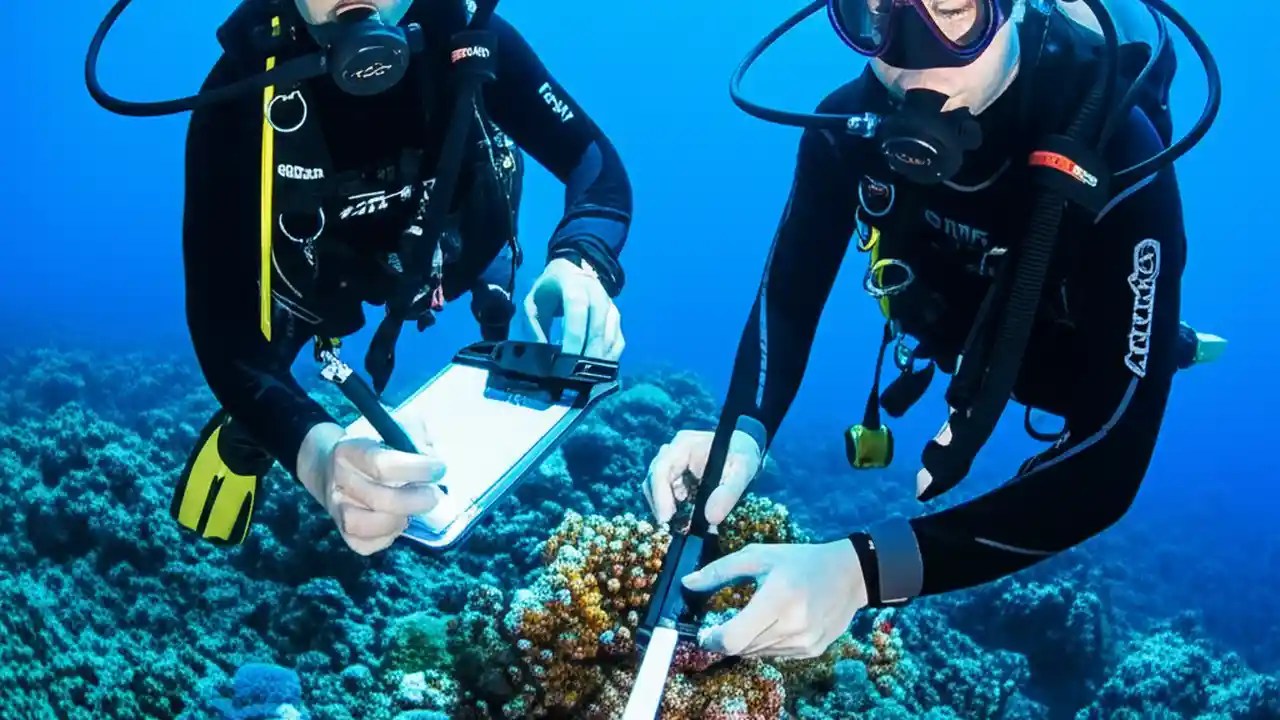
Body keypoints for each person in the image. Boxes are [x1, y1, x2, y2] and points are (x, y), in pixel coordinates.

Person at [642, 0, 1222, 659]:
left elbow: (1109, 466)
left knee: (1125, 360)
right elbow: (789, 300)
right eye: (875, 14)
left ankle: (1172, 340)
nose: (912, 55)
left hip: (1060, 353)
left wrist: (863, 570)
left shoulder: (1119, 151)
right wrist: (741, 436)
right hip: (950, 332)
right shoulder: (846, 130)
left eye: (950, 10)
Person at [168, 0, 632, 554]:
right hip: (322, 282)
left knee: (494, 291)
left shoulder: (468, 39)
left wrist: (580, 259)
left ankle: (491, 296)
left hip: (454, 252)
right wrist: (317, 459)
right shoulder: (240, 96)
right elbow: (228, 339)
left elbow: (598, 171)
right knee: (268, 377)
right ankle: (248, 438)